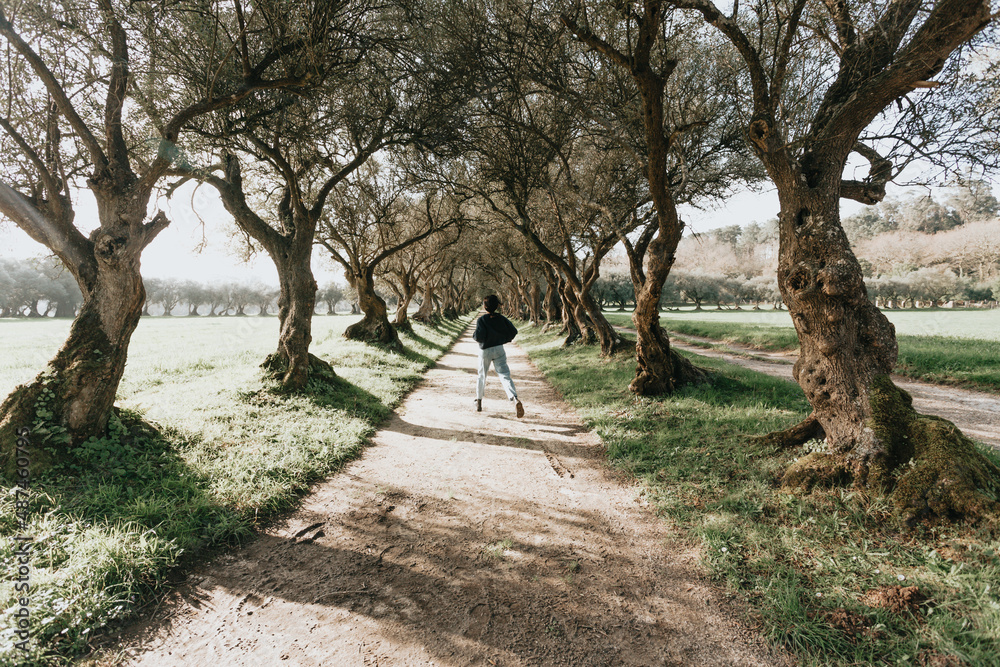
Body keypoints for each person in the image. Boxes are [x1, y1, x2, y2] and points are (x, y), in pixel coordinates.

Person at [473, 295, 524, 418]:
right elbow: (513, 331)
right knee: (505, 375)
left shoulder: (482, 320)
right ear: (497, 306)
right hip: (499, 349)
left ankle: (478, 402)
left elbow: (478, 337)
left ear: (485, 307)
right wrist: (504, 339)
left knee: (482, 375)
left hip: (485, 351)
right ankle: (514, 398)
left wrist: (477, 337)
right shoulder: (501, 318)